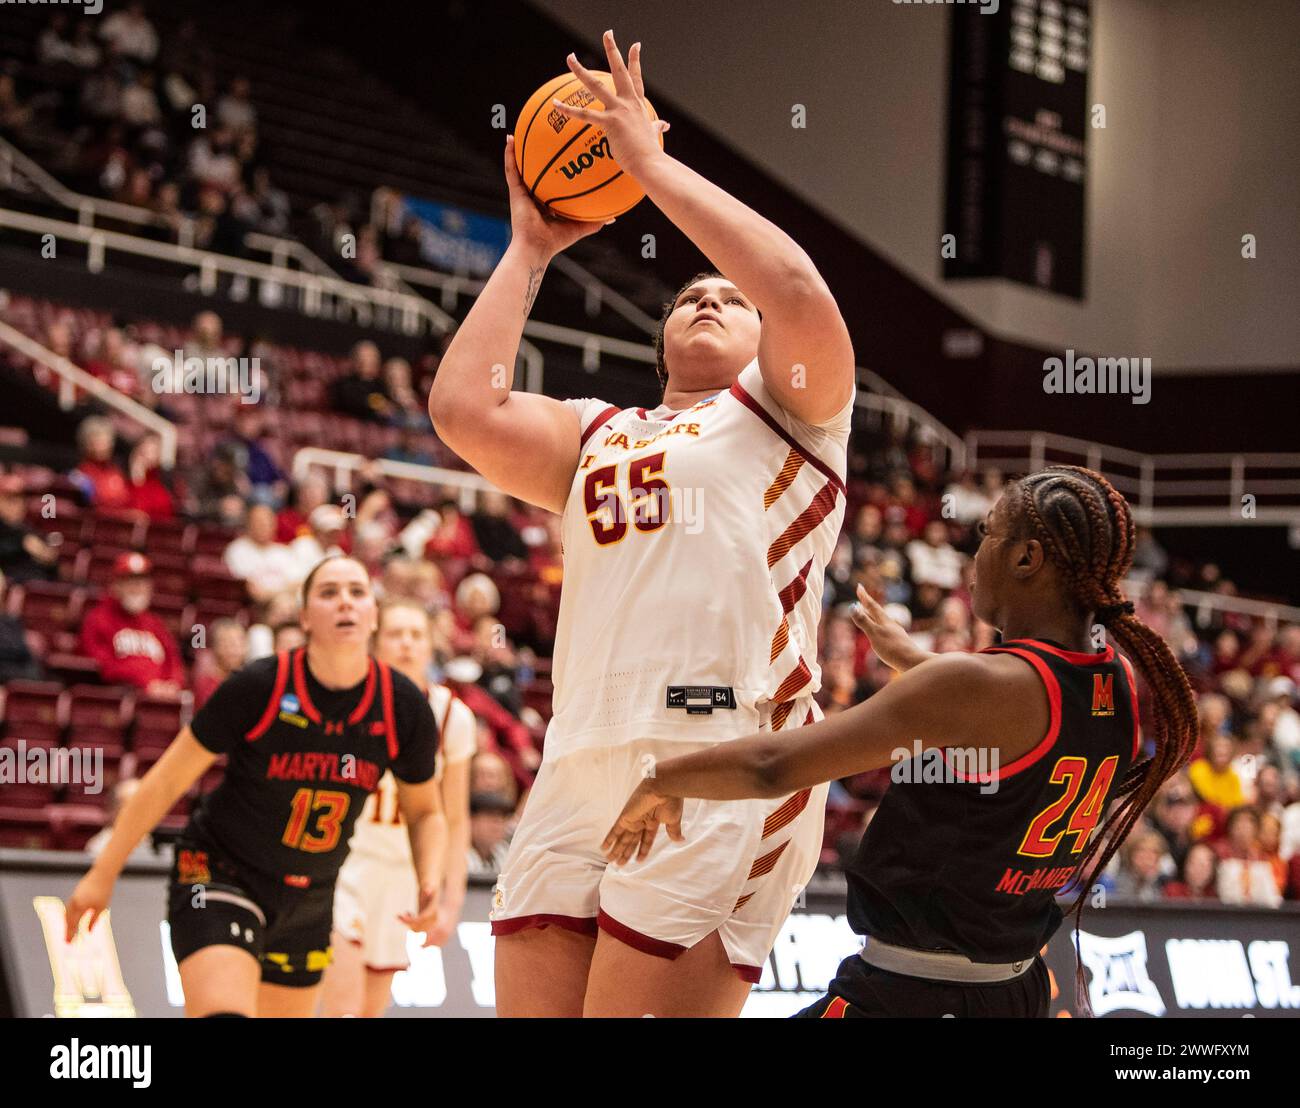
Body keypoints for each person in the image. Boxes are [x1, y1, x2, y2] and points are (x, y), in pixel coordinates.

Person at [428, 32, 854, 1017]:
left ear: (760, 342)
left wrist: (650, 168)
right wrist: (530, 249)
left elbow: (792, 289)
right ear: (660, 336)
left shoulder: (793, 413)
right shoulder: (598, 431)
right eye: (689, 296)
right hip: (579, 748)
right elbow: (463, 409)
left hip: (723, 747)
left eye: (724, 298)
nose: (707, 297)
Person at [605, 466, 1198, 1018]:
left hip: (914, 995)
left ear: (1026, 557)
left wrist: (664, 777)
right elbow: (1008, 714)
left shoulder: (974, 687)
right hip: (1014, 990)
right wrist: (917, 661)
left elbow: (772, 766)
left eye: (988, 534)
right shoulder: (1114, 678)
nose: (974, 552)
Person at [64, 556, 443, 1017]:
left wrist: (429, 877)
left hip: (311, 896)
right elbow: (166, 781)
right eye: (328, 592)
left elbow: (425, 810)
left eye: (357, 591)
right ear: (304, 617)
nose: (345, 600)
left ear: (373, 615)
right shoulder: (260, 686)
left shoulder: (403, 707)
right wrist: (102, 874)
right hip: (220, 872)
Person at [318, 599, 476, 1017]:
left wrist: (451, 900)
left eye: (416, 635)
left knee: (370, 1011)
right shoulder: (349, 698)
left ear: (430, 645)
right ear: (375, 642)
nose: (406, 644)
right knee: (341, 1008)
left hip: (403, 874)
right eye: (395, 634)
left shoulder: (452, 717)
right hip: (345, 865)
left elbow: (455, 818)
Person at [78, 553, 184, 695]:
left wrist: (173, 684)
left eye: (142, 582)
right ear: (116, 585)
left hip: (159, 699)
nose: (137, 588)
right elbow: (100, 665)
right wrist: (145, 684)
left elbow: (173, 661)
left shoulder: (155, 624)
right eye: (130, 581)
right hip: (120, 697)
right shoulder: (98, 619)